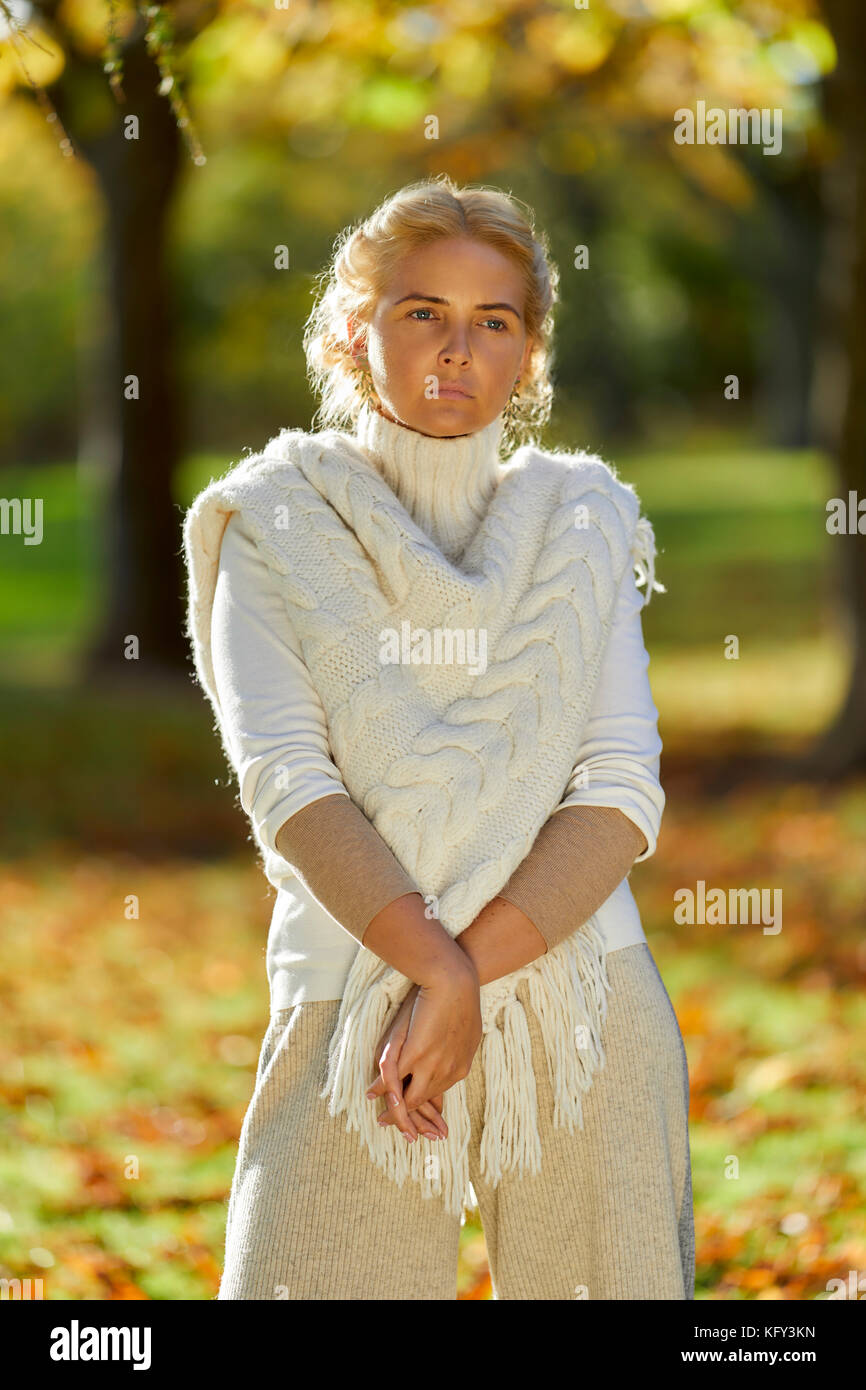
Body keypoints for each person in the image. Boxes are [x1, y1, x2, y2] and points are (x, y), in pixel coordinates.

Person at [181, 174, 694, 1300]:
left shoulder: (583, 522)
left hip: (582, 992)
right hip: (347, 987)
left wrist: (464, 974)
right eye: (423, 313)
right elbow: (289, 783)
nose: (456, 349)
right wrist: (429, 973)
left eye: (492, 322)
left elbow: (616, 789)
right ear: (351, 332)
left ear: (527, 355)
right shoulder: (270, 523)